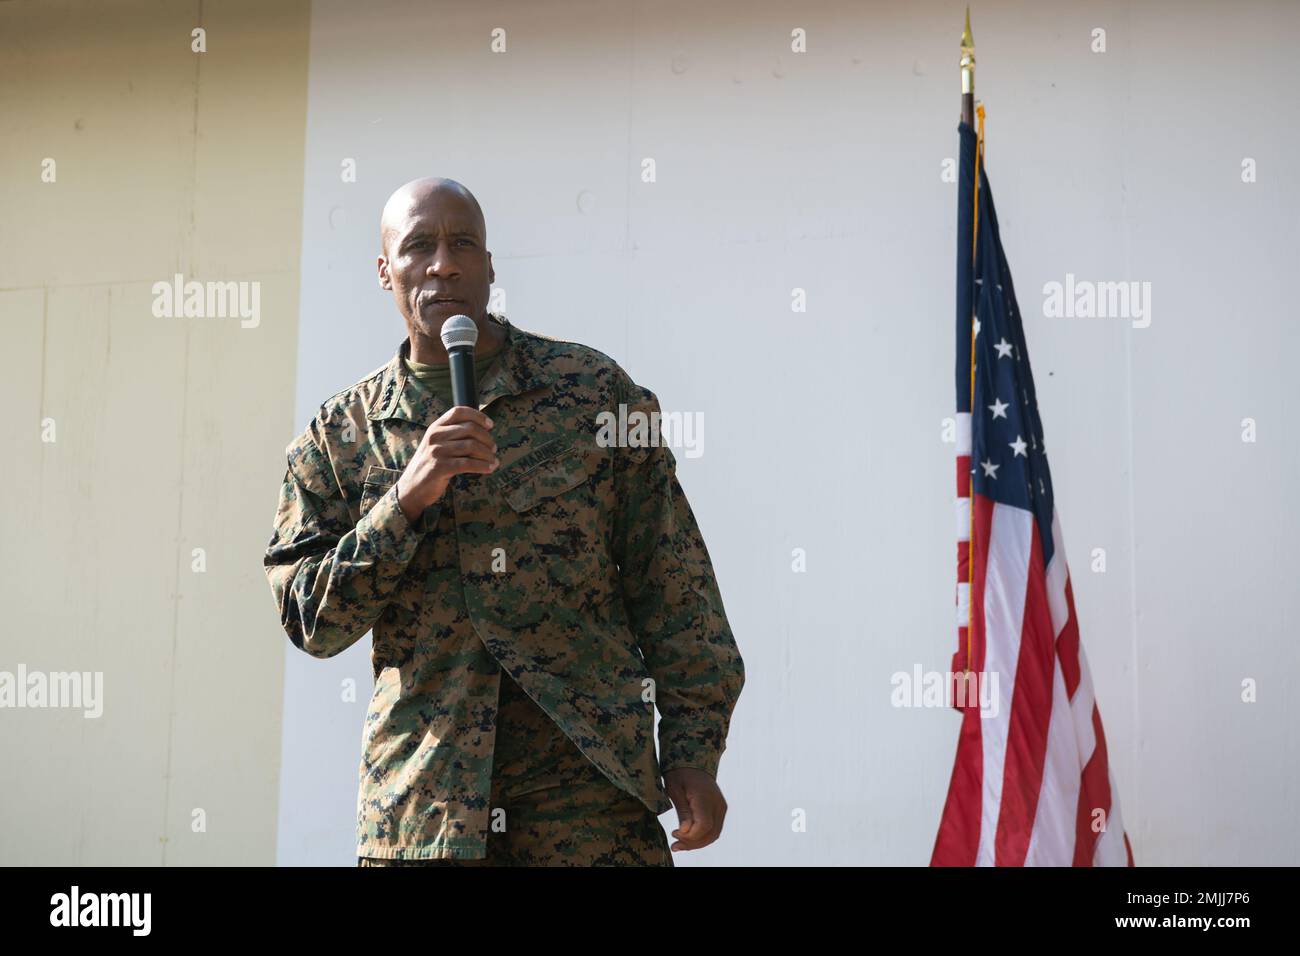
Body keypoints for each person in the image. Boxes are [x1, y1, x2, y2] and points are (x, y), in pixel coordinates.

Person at [263, 177, 745, 865]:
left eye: (464, 244)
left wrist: (694, 751)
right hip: (426, 810)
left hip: (588, 798)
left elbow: (674, 587)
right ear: (384, 271)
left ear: (490, 266)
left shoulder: (594, 395)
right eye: (419, 246)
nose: (444, 264)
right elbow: (311, 619)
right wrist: (405, 500)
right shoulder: (340, 436)